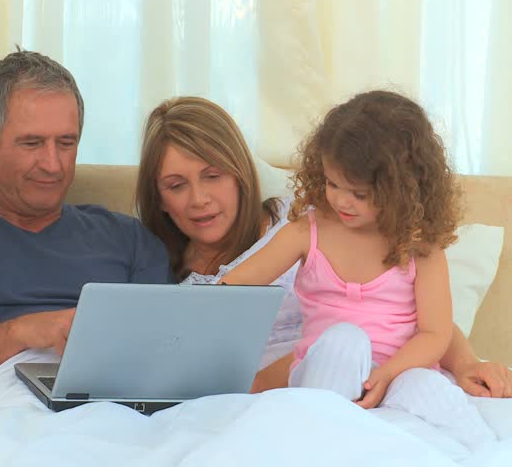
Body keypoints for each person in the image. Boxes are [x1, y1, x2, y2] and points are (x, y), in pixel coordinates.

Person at [135, 95, 512, 399]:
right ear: (158, 196)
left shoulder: (301, 219)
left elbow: (413, 318)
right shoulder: (151, 264)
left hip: (359, 371)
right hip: (286, 389)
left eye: (213, 176)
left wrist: (464, 364)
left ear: (240, 172)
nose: (199, 198)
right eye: (176, 185)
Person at [219, 90, 495, 449]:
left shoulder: (421, 247)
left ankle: (481, 452)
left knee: (432, 390)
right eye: (333, 184)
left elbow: (434, 334)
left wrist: (388, 374)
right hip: (325, 370)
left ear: (403, 191)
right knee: (345, 340)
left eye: (360, 194)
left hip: (397, 371)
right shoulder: (307, 231)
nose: (341, 201)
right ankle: (332, 440)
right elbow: (233, 287)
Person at [0, 50, 173, 410]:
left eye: (66, 143)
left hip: (120, 416)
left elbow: (171, 361)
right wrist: (20, 332)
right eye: (32, 143)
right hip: (2, 413)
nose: (53, 164)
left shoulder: (129, 239)